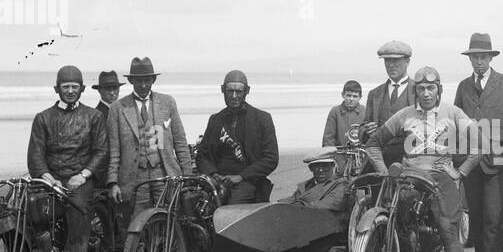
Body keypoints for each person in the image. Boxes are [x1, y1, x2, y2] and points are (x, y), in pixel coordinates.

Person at [366, 67, 483, 252]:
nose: (426, 93)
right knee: (398, 224)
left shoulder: (453, 112)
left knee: (448, 230)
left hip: (442, 178)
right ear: (415, 91)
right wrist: (384, 171)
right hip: (410, 178)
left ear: (439, 89)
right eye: (421, 88)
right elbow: (373, 144)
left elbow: (479, 144)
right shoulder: (404, 115)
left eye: (431, 88)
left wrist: (460, 172)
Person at [26, 66, 108, 252]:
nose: (70, 91)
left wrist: (83, 175)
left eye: (74, 87)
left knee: (76, 208)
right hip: (49, 178)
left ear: (81, 89)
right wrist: (46, 176)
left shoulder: (94, 116)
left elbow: (101, 151)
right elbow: (35, 153)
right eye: (65, 87)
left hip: (81, 178)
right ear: (57, 89)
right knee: (28, 209)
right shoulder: (43, 118)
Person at [454, 32, 503, 252]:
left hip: (496, 162)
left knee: (493, 216)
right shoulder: (463, 86)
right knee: (477, 217)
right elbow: (457, 122)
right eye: (474, 57)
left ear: (491, 58)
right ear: (470, 59)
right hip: (471, 162)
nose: (479, 62)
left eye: (483, 57)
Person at [107, 57, 193, 218]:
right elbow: (114, 150)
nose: (143, 85)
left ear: (153, 79)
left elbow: (180, 142)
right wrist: (113, 183)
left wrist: (187, 176)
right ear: (131, 81)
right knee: (137, 226)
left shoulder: (168, 103)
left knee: (170, 221)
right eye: (139, 81)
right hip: (134, 179)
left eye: (147, 80)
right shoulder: (117, 108)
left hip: (165, 175)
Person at [197, 70, 279, 205]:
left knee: (232, 210)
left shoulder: (262, 119)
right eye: (230, 91)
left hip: (248, 181)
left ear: (247, 91)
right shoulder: (215, 119)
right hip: (217, 180)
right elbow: (202, 155)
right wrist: (213, 174)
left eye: (239, 91)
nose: (234, 96)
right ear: (223, 90)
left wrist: (241, 177)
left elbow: (271, 159)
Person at [364, 41, 416, 168]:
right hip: (379, 161)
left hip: (409, 160)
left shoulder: (420, 91)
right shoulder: (374, 94)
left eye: (395, 61)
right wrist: (366, 131)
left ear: (407, 61)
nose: (391, 65)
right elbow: (363, 127)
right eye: (387, 61)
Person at [282, 148, 350, 210]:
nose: (321, 170)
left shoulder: (340, 184)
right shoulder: (306, 185)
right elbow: (291, 199)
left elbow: (329, 204)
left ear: (332, 166)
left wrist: (299, 206)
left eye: (325, 166)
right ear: (311, 168)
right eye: (316, 166)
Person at [322, 80, 365, 146]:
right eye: (348, 95)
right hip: (339, 153)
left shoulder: (365, 111)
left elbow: (371, 138)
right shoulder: (335, 111)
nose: (351, 99)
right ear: (343, 95)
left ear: (360, 97)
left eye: (355, 96)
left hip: (360, 153)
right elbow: (328, 139)